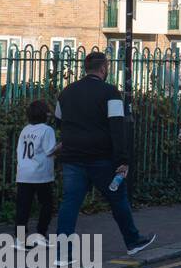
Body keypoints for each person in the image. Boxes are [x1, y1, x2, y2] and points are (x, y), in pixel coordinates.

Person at [54, 51, 155, 257]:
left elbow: (58, 121)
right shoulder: (110, 92)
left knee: (69, 204)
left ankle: (63, 254)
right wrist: (122, 160)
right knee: (118, 199)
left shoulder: (66, 92)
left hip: (72, 157)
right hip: (101, 157)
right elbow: (117, 127)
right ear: (103, 68)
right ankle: (132, 241)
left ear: (85, 68)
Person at [15, 100, 58, 245]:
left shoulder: (25, 130)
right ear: (44, 114)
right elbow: (50, 150)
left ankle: (19, 239)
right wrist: (63, 145)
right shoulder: (47, 130)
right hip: (41, 174)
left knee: (23, 207)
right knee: (46, 204)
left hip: (23, 173)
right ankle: (40, 235)